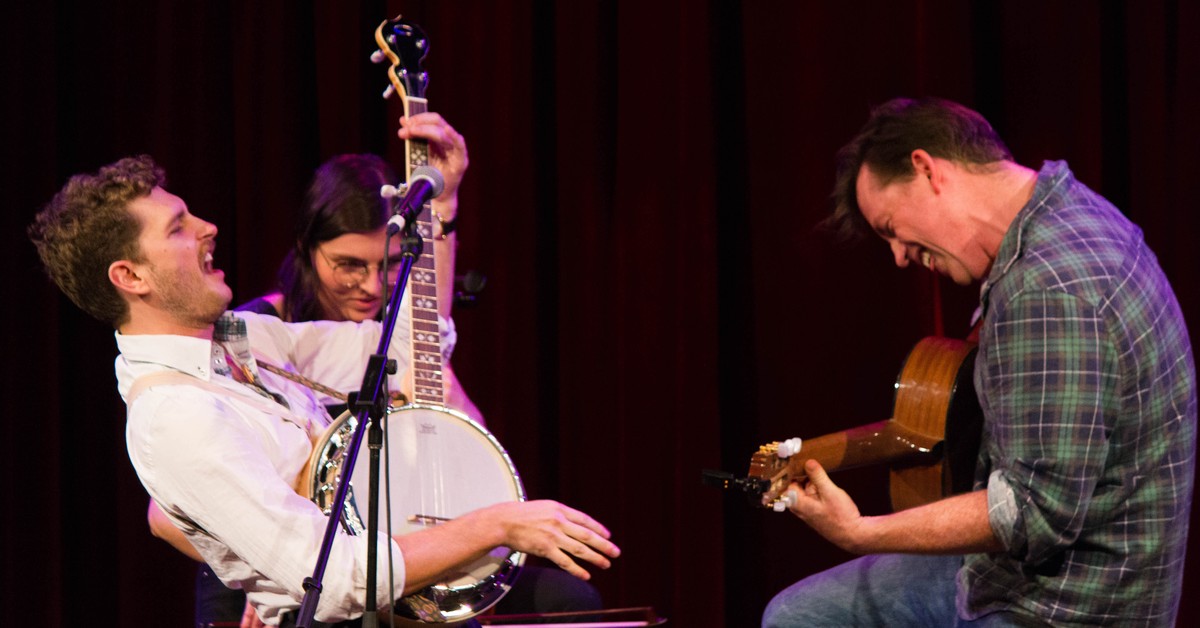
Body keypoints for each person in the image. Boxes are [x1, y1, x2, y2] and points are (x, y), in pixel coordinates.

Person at [28, 153, 620, 628]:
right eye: (179, 227)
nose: (208, 227)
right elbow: (335, 579)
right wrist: (498, 524)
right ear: (130, 277)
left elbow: (407, 352)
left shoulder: (239, 338)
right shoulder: (177, 415)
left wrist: (439, 205)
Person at [762, 97, 1196, 626]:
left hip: (1065, 606)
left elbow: (1032, 514)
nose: (899, 256)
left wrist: (861, 531)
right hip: (1023, 574)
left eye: (890, 227)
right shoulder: (1066, 212)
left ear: (926, 170)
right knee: (797, 613)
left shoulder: (1046, 283)